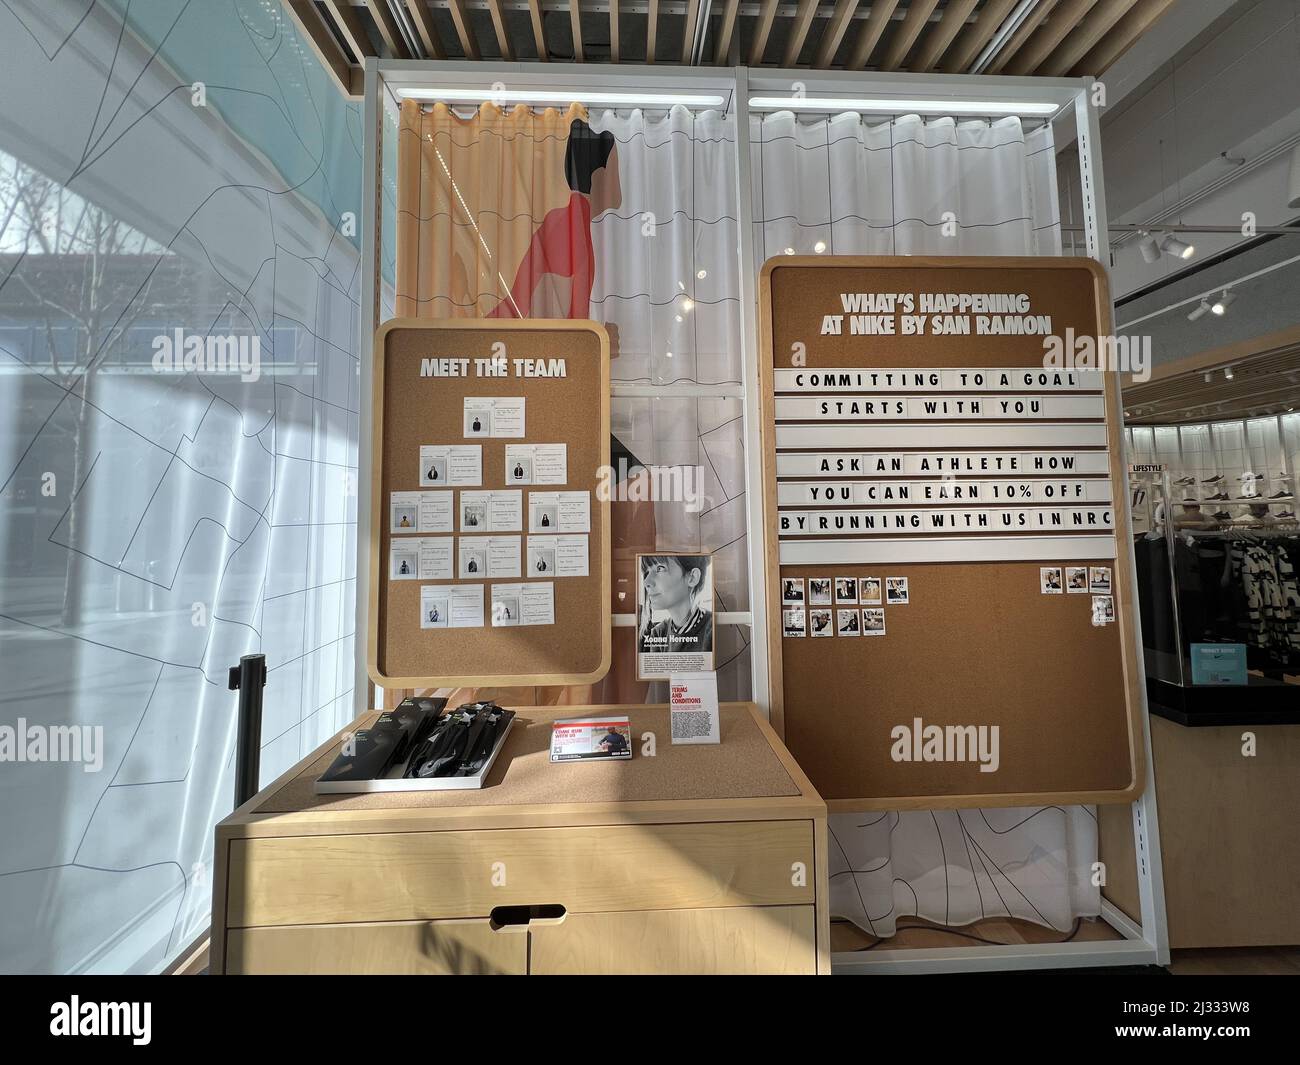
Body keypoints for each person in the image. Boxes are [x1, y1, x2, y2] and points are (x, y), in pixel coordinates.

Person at [638, 554, 714, 654]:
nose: (646, 582)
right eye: (647, 572)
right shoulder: (658, 633)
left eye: (660, 568)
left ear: (692, 577)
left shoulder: (712, 629)